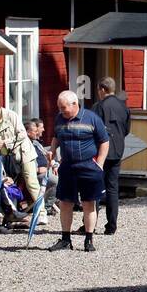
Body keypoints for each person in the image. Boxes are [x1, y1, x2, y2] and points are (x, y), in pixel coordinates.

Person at [50, 90, 110, 252]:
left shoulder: (92, 118)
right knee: (65, 203)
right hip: (67, 166)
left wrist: (100, 163)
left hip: (88, 166)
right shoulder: (59, 119)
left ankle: (89, 239)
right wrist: (53, 150)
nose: (61, 111)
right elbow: (56, 137)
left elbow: (104, 141)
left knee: (89, 203)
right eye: (59, 108)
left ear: (74, 104)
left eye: (64, 108)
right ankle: (65, 239)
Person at [0, 94, 40, 209]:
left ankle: (41, 212)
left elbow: (22, 134)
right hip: (7, 157)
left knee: (31, 183)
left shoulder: (11, 115)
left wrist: (4, 143)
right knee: (7, 184)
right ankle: (10, 213)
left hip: (24, 153)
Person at [90, 78, 130, 236]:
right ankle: (111, 226)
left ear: (102, 89)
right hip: (118, 151)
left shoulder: (98, 107)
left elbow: (92, 129)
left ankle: (90, 225)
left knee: (95, 188)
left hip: (100, 152)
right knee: (113, 188)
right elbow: (126, 130)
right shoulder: (124, 107)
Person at [27, 118, 58, 217]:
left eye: (37, 130)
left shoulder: (36, 143)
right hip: (36, 173)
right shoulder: (25, 145)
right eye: (35, 131)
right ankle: (47, 207)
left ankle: (72, 202)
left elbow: (46, 154)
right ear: (27, 132)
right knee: (54, 180)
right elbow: (23, 165)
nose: (37, 133)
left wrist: (53, 164)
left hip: (46, 169)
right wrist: (38, 169)